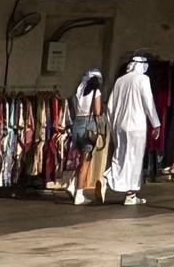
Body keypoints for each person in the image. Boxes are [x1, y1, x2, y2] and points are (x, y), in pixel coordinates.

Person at [104, 54, 161, 206]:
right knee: (134, 160)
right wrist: (156, 124)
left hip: (120, 126)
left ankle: (111, 180)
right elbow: (148, 102)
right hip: (136, 126)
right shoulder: (143, 79)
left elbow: (110, 106)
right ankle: (129, 193)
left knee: (120, 156)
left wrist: (113, 125)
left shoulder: (119, 81)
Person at [66, 70, 105, 205]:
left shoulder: (79, 90)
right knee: (86, 162)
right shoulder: (96, 92)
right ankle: (79, 194)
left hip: (77, 125)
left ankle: (73, 184)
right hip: (88, 126)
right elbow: (97, 111)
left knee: (81, 159)